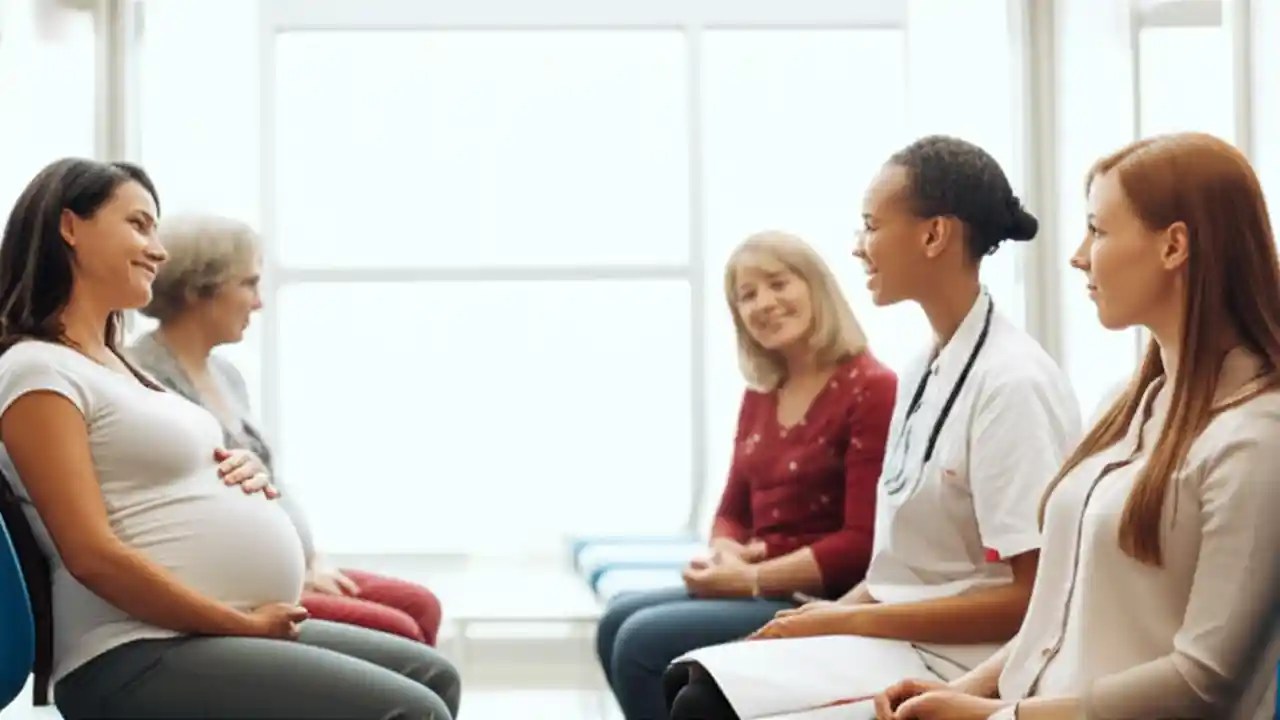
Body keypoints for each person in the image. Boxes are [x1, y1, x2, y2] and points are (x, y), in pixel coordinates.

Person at [0, 158, 460, 719]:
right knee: (413, 710)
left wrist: (240, 472)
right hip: (132, 648)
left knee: (431, 673)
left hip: (199, 630)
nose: (159, 249)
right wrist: (238, 623)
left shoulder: (115, 365)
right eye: (139, 225)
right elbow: (91, 555)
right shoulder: (36, 372)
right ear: (69, 227)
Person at [664, 135, 1082, 720]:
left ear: (933, 235)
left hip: (964, 663)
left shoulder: (1013, 384)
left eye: (870, 226)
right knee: (688, 679)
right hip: (893, 638)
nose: (859, 249)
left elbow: (1032, 600)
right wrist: (818, 622)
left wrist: (845, 617)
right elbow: (896, 571)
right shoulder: (921, 371)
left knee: (703, 703)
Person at [873, 133, 1280, 720]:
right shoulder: (1127, 406)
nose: (1079, 254)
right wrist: (975, 692)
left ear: (1174, 246)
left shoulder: (1256, 437)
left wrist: (1000, 717)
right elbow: (1056, 622)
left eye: (1100, 229)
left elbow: (1203, 683)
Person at [595, 230, 897, 719]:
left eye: (778, 284)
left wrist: (750, 579)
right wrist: (725, 552)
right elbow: (732, 509)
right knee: (616, 619)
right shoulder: (763, 390)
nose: (764, 304)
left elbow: (861, 543)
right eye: (747, 295)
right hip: (760, 584)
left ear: (815, 286)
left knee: (639, 641)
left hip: (823, 598)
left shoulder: (873, 388)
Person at [129, 213, 444, 647]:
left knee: (422, 605)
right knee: (400, 630)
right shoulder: (147, 377)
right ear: (198, 291)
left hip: (291, 569)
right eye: (248, 284)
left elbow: (268, 478)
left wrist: (311, 560)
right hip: (239, 589)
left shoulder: (226, 374)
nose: (258, 303)